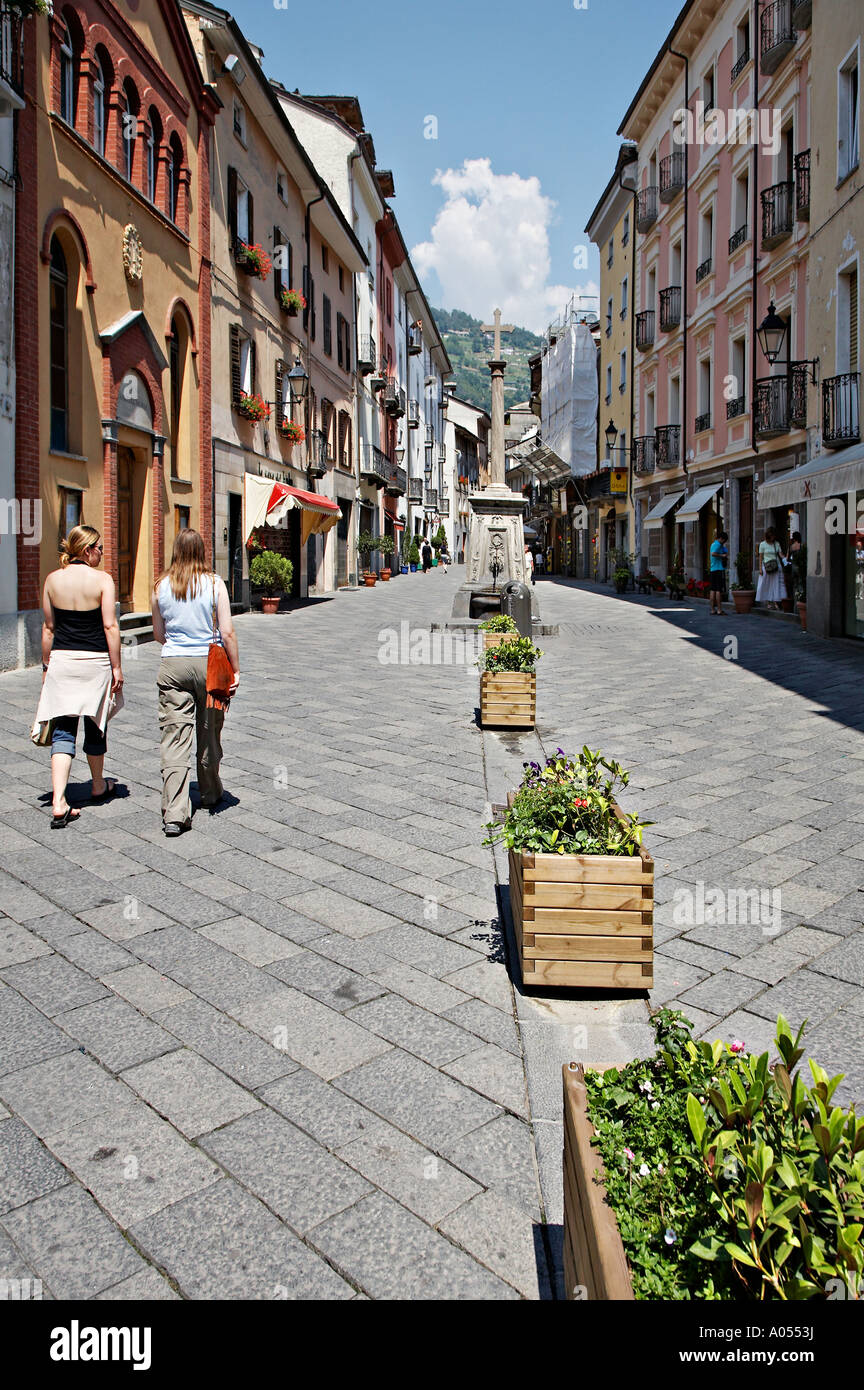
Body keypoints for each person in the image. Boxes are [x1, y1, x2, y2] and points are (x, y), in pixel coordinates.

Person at [151, 530, 239, 836]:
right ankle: (210, 792)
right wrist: (236, 669)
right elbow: (226, 632)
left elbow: (158, 634)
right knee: (209, 729)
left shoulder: (161, 586)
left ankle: (174, 813)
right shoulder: (215, 584)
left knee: (175, 737)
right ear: (202, 551)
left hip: (173, 664)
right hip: (208, 665)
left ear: (175, 551)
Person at [35, 525, 124, 828]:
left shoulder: (52, 580)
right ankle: (98, 784)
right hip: (95, 661)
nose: (102, 552)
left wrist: (47, 666)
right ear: (87, 550)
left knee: (63, 729)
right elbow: (110, 627)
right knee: (95, 726)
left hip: (62, 660)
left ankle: (59, 800)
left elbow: (48, 629)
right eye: (99, 547)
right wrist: (116, 666)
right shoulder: (102, 580)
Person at [756, 526, 786, 610]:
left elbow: (780, 554)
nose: (773, 538)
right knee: (766, 584)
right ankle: (769, 602)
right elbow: (761, 557)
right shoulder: (762, 544)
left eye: (773, 536)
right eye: (771, 536)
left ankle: (776, 601)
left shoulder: (776, 544)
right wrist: (760, 569)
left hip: (776, 566)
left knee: (775, 584)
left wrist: (785, 559)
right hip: (766, 566)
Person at [708, 530, 729, 615]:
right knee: (718, 590)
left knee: (712, 590)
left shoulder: (714, 544)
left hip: (713, 569)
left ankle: (712, 609)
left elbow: (725, 550)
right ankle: (719, 610)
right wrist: (722, 555)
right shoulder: (717, 545)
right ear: (721, 538)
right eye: (724, 540)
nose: (724, 542)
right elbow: (713, 553)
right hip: (718, 569)